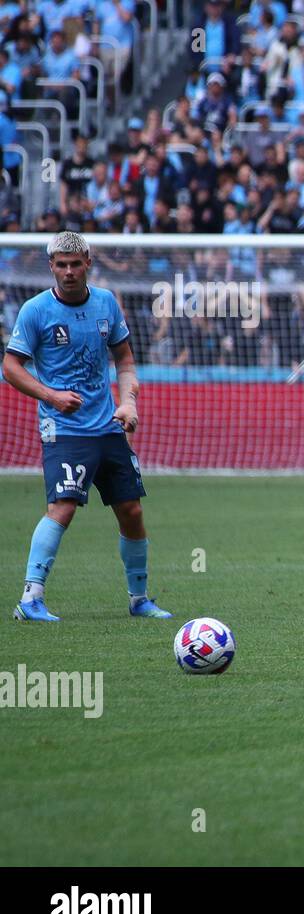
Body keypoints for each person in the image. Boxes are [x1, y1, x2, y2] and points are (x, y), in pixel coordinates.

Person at [3, 232, 172, 622]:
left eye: (75, 264)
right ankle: (30, 599)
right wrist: (51, 396)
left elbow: (125, 361)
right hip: (64, 429)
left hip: (107, 427)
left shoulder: (106, 303)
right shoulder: (35, 311)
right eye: (61, 265)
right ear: (51, 267)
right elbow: (10, 367)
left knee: (130, 509)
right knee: (62, 509)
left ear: (88, 264)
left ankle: (139, 598)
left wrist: (128, 401)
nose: (68, 272)